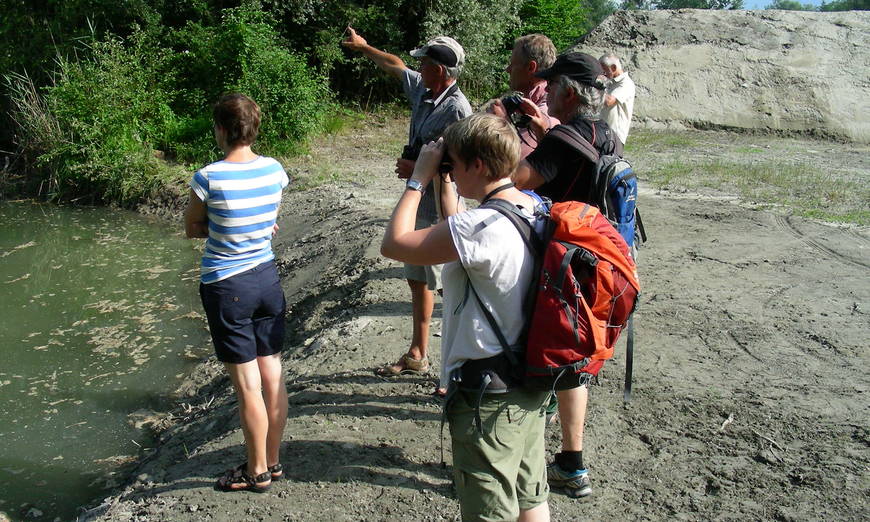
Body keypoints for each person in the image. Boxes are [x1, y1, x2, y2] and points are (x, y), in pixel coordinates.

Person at [381, 113, 551, 521]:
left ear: (477, 165)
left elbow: (395, 243)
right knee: (530, 498)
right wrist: (445, 179)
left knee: (490, 512)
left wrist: (418, 178)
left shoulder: (479, 228)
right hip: (529, 379)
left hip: (487, 397)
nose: (451, 175)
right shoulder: (535, 207)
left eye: (454, 165)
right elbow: (453, 220)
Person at [511, 51, 617, 499]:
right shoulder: (605, 134)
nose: (547, 91)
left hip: (560, 269)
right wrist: (544, 131)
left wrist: (509, 135)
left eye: (553, 86)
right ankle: (571, 462)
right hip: (597, 263)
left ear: (570, 93)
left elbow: (518, 178)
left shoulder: (562, 139)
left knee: (539, 356)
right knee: (576, 365)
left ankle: (528, 461)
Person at [342, 28, 472, 379]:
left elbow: (464, 164)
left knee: (442, 280)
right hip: (418, 197)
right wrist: (365, 46)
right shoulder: (425, 89)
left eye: (425, 64)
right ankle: (419, 352)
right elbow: (396, 66)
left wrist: (418, 167)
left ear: (442, 71)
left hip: (439, 203)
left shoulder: (459, 109)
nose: (419, 69)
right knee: (418, 276)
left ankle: (443, 359)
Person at [184, 93, 289, 493]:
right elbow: (269, 221)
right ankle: (273, 462)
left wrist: (221, 227)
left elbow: (193, 228)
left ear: (223, 130)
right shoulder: (275, 170)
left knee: (248, 385)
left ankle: (256, 471)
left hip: (228, 286)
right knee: (273, 377)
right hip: (267, 279)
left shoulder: (208, 177)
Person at [488, 33, 558, 159]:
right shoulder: (535, 100)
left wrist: (500, 124)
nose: (508, 70)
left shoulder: (546, 110)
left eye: (513, 64)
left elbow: (515, 160)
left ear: (531, 67)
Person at [599, 52, 636, 158]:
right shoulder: (612, 82)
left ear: (614, 67)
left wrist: (594, 89)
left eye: (605, 70)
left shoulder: (626, 83)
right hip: (605, 132)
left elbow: (609, 101)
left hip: (615, 135)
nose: (603, 74)